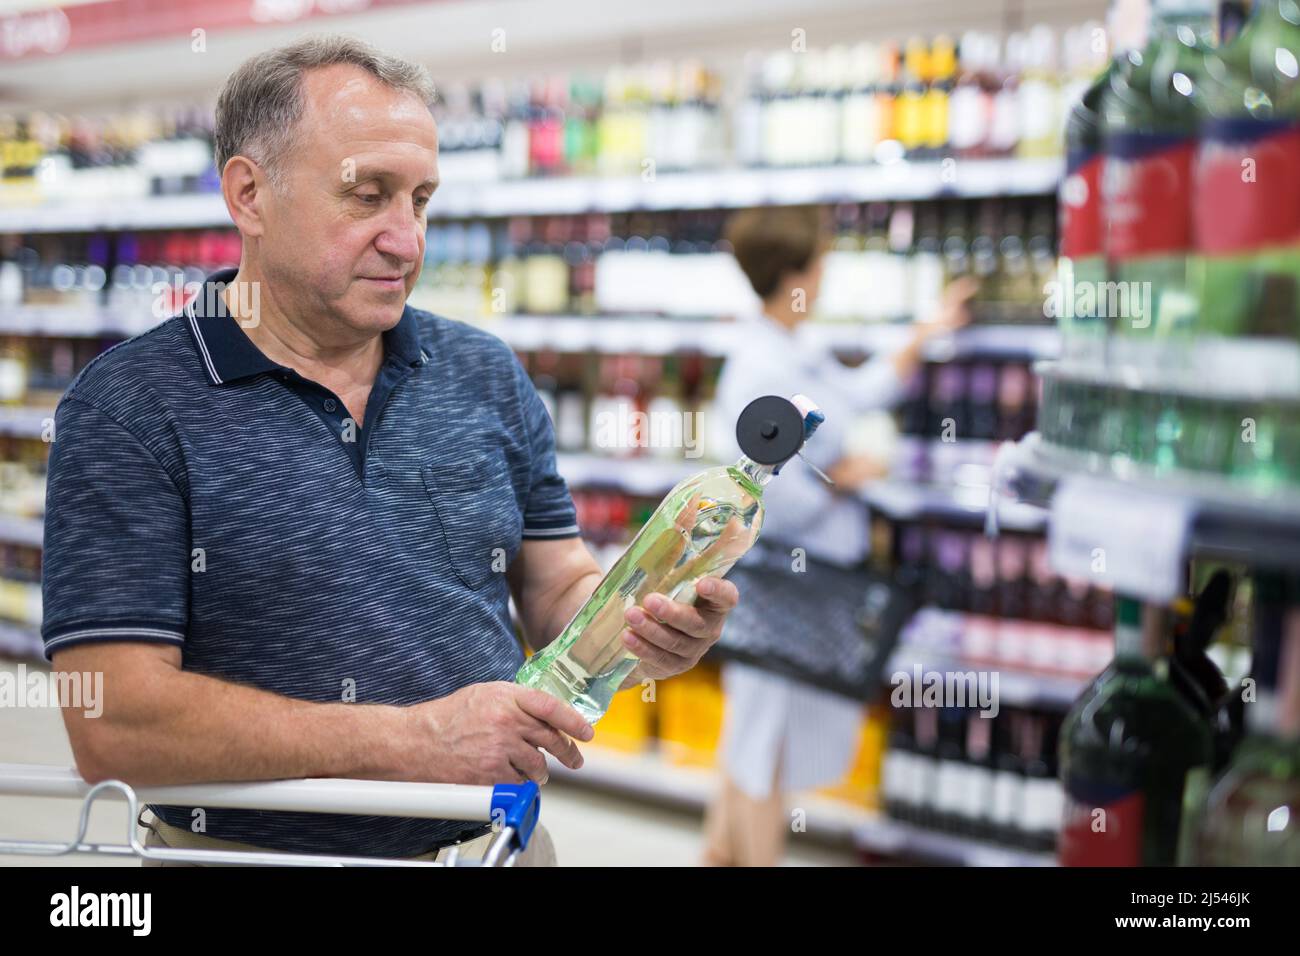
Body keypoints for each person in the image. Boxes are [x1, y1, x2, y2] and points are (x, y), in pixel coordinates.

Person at [41, 34, 739, 867]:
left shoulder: (484, 372)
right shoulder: (131, 406)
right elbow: (113, 724)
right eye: (367, 196)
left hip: (496, 846)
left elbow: (555, 584)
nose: (407, 240)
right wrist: (415, 740)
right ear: (249, 194)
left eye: (420, 200)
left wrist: (636, 626)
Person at [701, 205, 975, 866]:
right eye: (819, 264)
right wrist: (833, 480)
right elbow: (753, 484)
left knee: (752, 735)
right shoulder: (759, 366)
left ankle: (715, 856)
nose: (825, 277)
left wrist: (924, 333)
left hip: (799, 583)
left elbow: (851, 398)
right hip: (781, 581)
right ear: (795, 274)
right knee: (762, 747)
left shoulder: (795, 348)